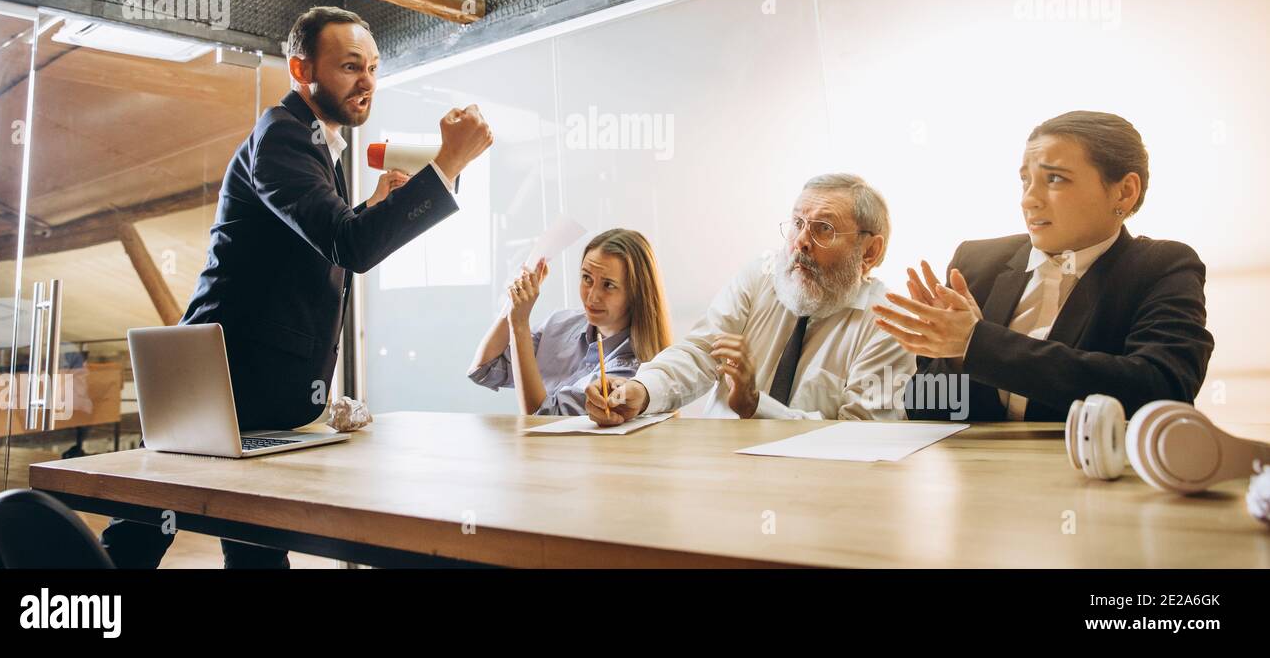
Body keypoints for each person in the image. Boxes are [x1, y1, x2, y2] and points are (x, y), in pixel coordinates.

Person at [101, 6, 492, 567]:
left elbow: (326, 238)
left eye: (374, 68)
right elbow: (349, 246)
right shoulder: (284, 134)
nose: (367, 82)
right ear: (299, 69)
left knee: (252, 545)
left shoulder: (316, 143)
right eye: (350, 66)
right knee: (140, 539)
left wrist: (376, 206)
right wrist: (448, 162)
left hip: (248, 383)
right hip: (221, 377)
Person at [876, 110, 1213, 421]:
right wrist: (955, 356)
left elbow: (1161, 390)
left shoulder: (1161, 266)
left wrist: (978, 344)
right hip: (980, 477)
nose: (1028, 199)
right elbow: (924, 408)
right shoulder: (975, 262)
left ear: (1124, 192)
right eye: (1026, 180)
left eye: (1054, 179)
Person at [585, 174, 915, 425]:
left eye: (824, 229)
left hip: (818, 498)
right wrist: (641, 391)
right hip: (721, 472)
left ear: (870, 252)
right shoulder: (763, 275)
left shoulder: (889, 323)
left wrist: (757, 407)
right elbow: (701, 352)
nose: (801, 242)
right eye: (798, 223)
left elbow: (862, 438)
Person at [468, 229, 672, 415]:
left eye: (608, 285)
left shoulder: (632, 370)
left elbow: (543, 418)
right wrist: (514, 304)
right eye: (587, 278)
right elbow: (485, 369)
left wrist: (520, 323)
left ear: (636, 293)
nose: (592, 297)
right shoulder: (560, 323)